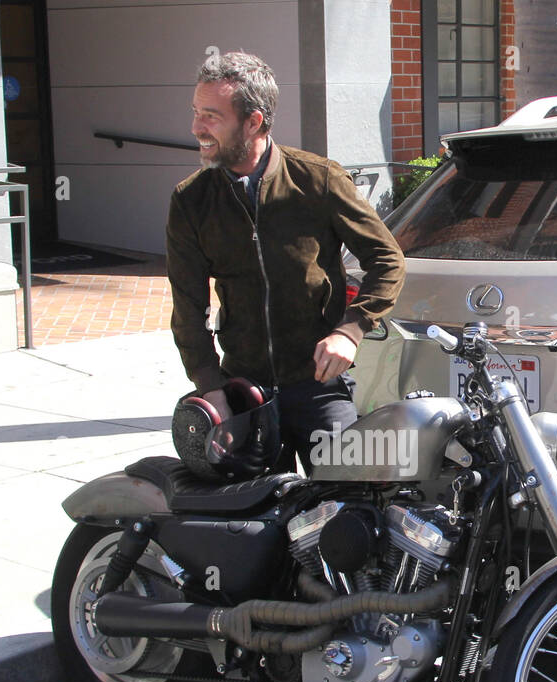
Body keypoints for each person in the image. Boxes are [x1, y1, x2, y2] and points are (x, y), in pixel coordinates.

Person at [166, 51, 405, 472]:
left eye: (211, 116)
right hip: (244, 394)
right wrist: (210, 385)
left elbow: (387, 259)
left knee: (347, 505)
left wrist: (350, 330)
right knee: (252, 527)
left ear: (253, 122)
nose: (196, 128)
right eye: (196, 113)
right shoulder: (191, 200)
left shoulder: (318, 179)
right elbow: (188, 307)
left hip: (318, 387)